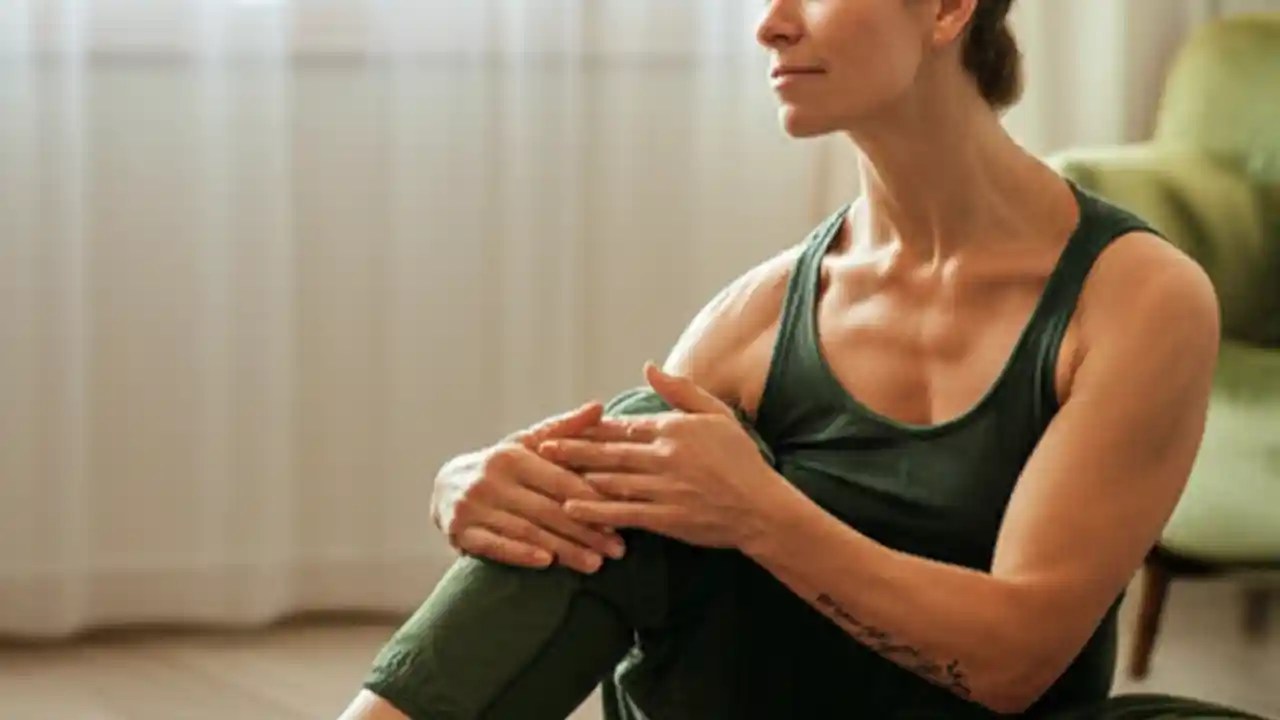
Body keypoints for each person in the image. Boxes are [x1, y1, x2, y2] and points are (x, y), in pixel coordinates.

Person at [338, 0, 1229, 718]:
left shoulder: (1138, 300)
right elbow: (597, 511)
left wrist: (760, 512)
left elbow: (1016, 662)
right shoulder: (756, 317)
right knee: (647, 447)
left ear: (951, 8)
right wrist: (468, 484)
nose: (768, 21)